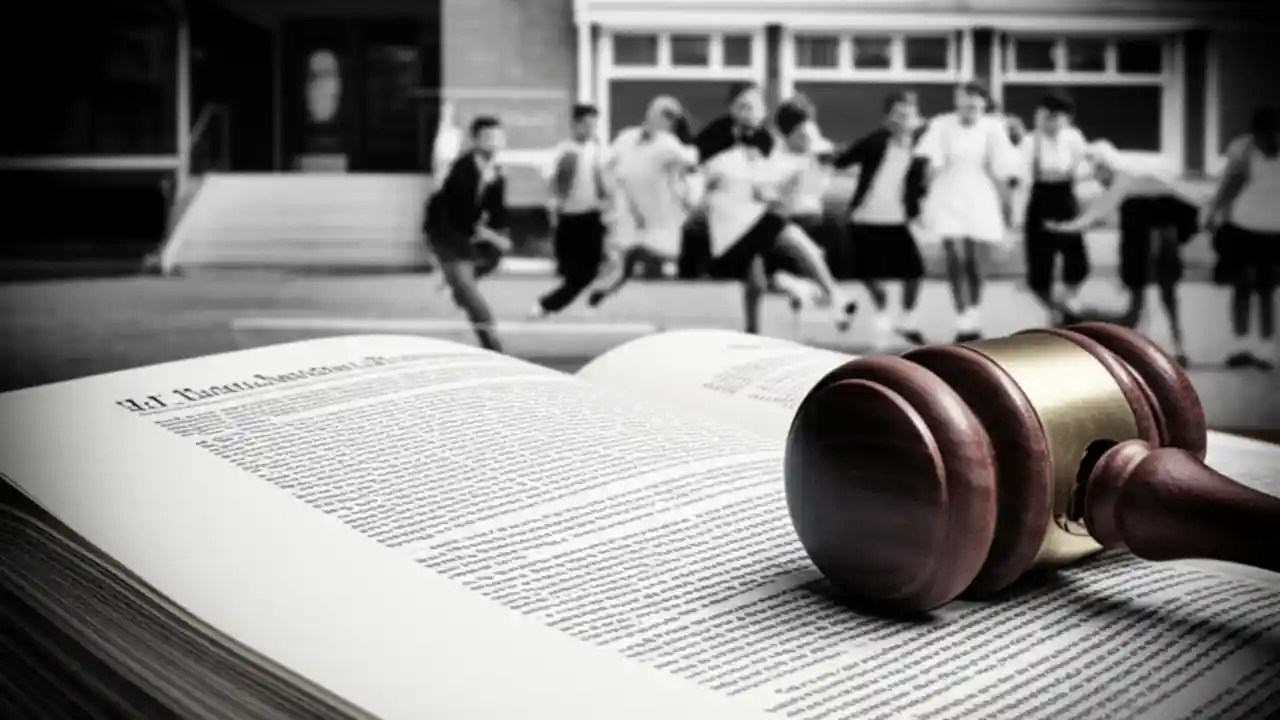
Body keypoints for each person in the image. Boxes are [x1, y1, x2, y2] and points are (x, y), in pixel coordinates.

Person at [696, 82, 856, 335]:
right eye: (742, 106)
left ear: (762, 110)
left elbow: (768, 182)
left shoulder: (766, 141)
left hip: (752, 220)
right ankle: (829, 293)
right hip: (728, 228)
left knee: (758, 276)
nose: (749, 111)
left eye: (754, 106)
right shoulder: (716, 136)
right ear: (732, 108)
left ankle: (757, 327)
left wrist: (777, 185)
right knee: (785, 235)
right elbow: (701, 173)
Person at [1047, 140, 1202, 367]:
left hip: (1156, 220)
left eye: (1098, 175)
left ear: (1104, 167)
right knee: (1154, 292)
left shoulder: (1124, 176)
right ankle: (1167, 346)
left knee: (1152, 291)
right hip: (1150, 220)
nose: (1098, 181)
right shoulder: (1126, 173)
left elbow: (1097, 212)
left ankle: (1166, 347)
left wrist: (1064, 227)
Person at [915, 81, 1020, 343]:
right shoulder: (941, 125)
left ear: (983, 104)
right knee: (956, 257)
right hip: (947, 194)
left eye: (976, 100)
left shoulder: (992, 128)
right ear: (957, 100)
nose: (970, 104)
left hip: (979, 196)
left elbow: (1003, 169)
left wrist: (1009, 209)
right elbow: (930, 165)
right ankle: (963, 320)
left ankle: (973, 315)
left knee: (975, 261)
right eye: (965, 98)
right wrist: (923, 201)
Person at [832, 90, 930, 349]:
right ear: (887, 117)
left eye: (908, 114)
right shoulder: (874, 142)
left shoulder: (921, 146)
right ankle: (882, 305)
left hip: (897, 219)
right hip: (865, 217)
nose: (903, 120)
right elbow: (842, 160)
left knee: (915, 271)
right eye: (897, 114)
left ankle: (907, 321)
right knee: (866, 271)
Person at [585, 96, 699, 309]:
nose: (658, 119)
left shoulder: (668, 144)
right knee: (623, 254)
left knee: (651, 256)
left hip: (655, 214)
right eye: (657, 112)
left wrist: (685, 187)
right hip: (627, 209)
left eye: (668, 117)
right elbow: (607, 164)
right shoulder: (627, 137)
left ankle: (643, 293)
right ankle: (603, 292)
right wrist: (607, 193)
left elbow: (690, 162)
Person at [423, 115, 511, 352]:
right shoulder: (460, 170)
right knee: (468, 290)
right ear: (475, 140)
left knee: (492, 257)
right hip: (445, 234)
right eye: (487, 137)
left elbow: (498, 212)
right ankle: (493, 346)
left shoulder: (497, 172)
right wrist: (487, 234)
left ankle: (457, 285)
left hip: (468, 234)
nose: (493, 142)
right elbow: (454, 213)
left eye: (497, 137)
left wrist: (499, 235)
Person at [1206, 105, 1280, 371]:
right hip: (1245, 227)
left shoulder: (1248, 147)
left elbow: (1229, 187)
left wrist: (1214, 212)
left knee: (1261, 288)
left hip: (1267, 229)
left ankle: (1260, 348)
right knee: (1247, 286)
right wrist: (1214, 212)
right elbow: (1229, 185)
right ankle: (1245, 345)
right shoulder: (1244, 149)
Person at [1016, 91, 1091, 325]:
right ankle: (1054, 310)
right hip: (1039, 203)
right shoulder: (1030, 141)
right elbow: (1023, 181)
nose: (1048, 122)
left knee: (1077, 261)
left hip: (1066, 202)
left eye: (1053, 117)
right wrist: (1017, 218)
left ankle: (1067, 303)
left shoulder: (1074, 138)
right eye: (1043, 116)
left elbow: (1085, 170)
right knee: (1039, 268)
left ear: (1066, 118)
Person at [762, 97, 839, 322]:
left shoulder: (813, 147)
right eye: (801, 133)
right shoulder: (778, 159)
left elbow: (829, 154)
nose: (807, 136)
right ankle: (803, 289)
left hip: (810, 219)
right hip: (793, 220)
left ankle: (807, 290)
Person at [530, 103, 609, 318]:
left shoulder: (598, 151)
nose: (591, 129)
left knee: (589, 271)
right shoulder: (564, 151)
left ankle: (548, 305)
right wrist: (553, 215)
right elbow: (555, 187)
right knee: (573, 272)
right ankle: (550, 305)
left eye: (594, 125)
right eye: (586, 125)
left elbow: (604, 183)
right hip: (569, 219)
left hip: (592, 217)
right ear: (575, 125)